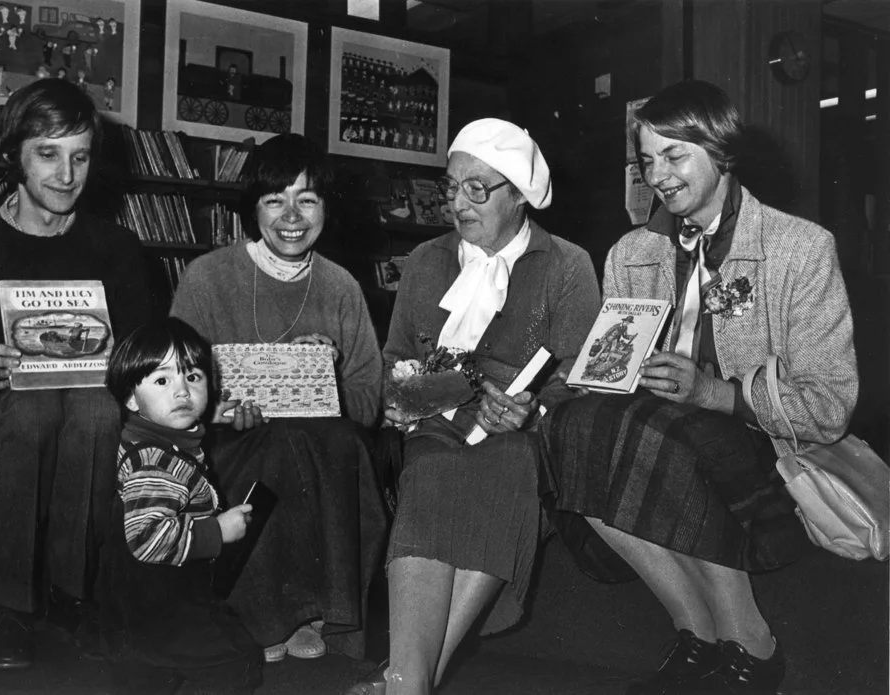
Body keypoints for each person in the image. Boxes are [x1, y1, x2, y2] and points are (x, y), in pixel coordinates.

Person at [538, 80, 857, 695]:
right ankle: (696, 632)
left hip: (766, 455)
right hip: (657, 439)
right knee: (569, 428)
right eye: (647, 159)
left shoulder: (801, 250)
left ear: (722, 152)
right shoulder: (631, 252)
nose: (657, 174)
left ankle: (751, 641)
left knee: (660, 429)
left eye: (674, 155)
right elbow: (612, 368)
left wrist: (716, 393)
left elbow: (830, 407)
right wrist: (572, 381)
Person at [347, 118, 601, 695]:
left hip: (524, 433)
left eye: (477, 189)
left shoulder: (567, 265)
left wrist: (531, 409)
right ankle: (410, 681)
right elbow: (394, 365)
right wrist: (434, 394)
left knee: (508, 468)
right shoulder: (425, 260)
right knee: (432, 472)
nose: (458, 203)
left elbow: (582, 379)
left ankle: (403, 679)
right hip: (435, 422)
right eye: (452, 187)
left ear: (519, 193)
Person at [0, 78, 153, 670]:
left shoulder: (117, 249)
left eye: (80, 155)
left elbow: (151, 361)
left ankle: (73, 592)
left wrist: (122, 362)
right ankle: (7, 604)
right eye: (48, 153)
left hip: (93, 432)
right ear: (15, 154)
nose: (67, 174)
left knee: (94, 408)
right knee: (32, 407)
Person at [170, 133, 387, 664]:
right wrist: (215, 410)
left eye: (307, 199)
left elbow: (367, 403)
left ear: (325, 209)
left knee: (320, 437)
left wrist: (322, 377)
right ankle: (263, 615)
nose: (292, 215)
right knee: (283, 441)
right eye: (275, 199)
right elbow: (169, 390)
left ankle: (314, 611)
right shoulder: (207, 277)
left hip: (322, 450)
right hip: (228, 447)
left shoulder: (341, 286)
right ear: (254, 209)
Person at [99, 318, 262, 694]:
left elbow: (182, 432)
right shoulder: (155, 462)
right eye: (162, 381)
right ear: (129, 398)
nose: (182, 392)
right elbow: (147, 539)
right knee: (235, 661)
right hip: (160, 601)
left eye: (193, 378)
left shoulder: (151, 434)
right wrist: (217, 531)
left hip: (136, 602)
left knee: (145, 676)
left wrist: (209, 418)